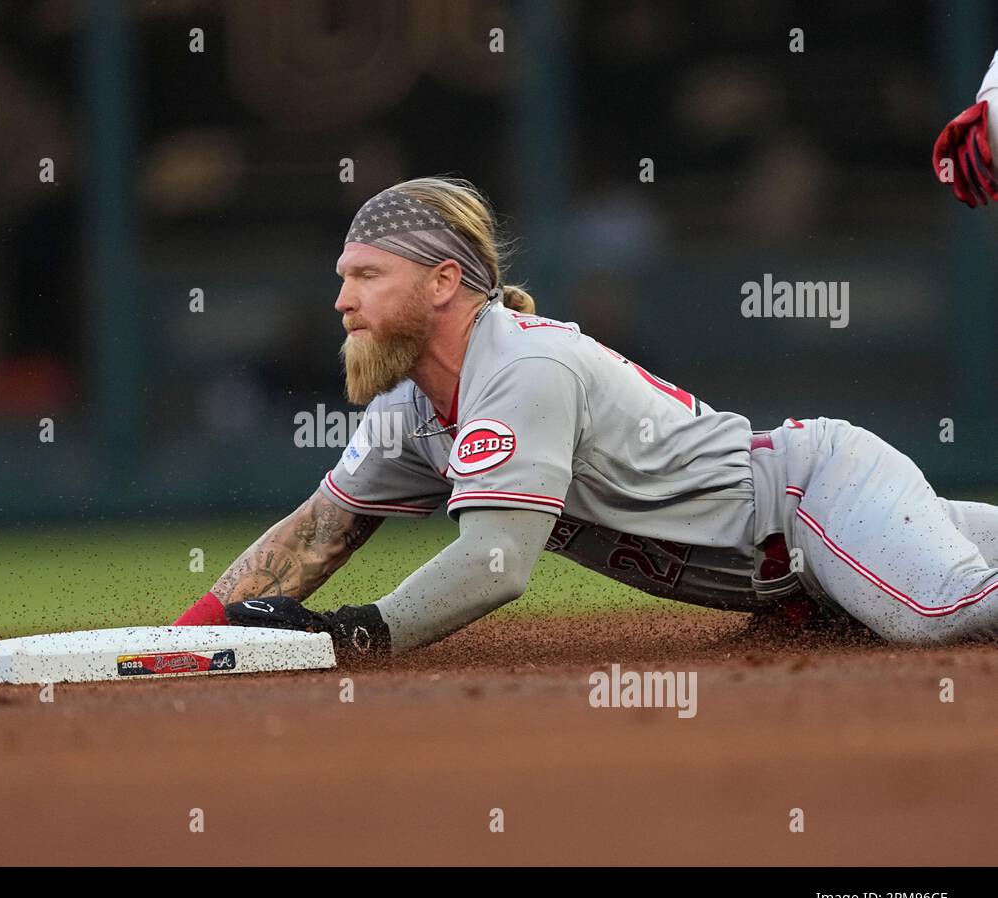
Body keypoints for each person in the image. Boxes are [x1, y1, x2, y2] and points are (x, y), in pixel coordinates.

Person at [172, 173, 998, 655]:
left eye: (366, 275)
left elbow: (498, 565)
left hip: (815, 499)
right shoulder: (409, 410)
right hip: (801, 560)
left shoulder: (521, 368)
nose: (342, 301)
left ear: (442, 284)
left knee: (939, 612)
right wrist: (184, 641)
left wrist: (355, 636)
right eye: (343, 276)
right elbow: (316, 534)